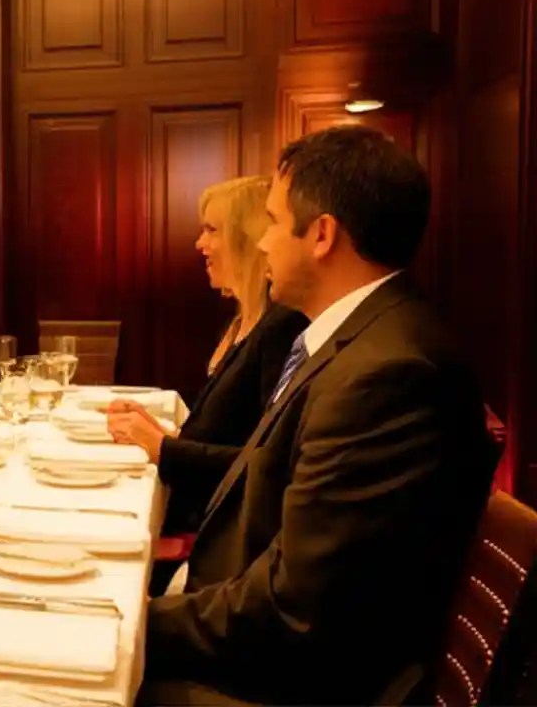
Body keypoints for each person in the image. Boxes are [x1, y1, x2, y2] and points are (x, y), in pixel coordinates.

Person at [141, 125, 498, 705]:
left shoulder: (387, 374)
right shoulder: (353, 339)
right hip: (234, 606)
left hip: (292, 682)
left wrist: (130, 625)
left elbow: (291, 609)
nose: (261, 244)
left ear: (322, 235)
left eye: (275, 223)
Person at [104, 176, 307, 592]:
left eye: (212, 229)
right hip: (197, 523)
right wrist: (161, 434)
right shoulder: (244, 321)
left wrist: (164, 447)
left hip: (214, 550)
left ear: (245, 238)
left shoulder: (281, 327)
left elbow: (264, 465)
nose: (200, 243)